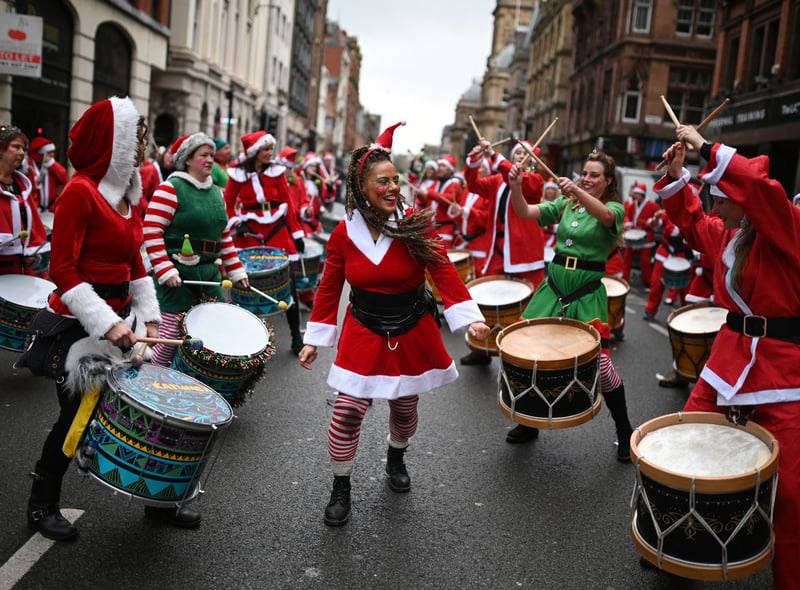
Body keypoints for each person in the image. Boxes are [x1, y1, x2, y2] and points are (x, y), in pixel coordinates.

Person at [298, 122, 489, 527]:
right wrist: (314, 338)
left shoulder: (415, 223)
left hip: (411, 325)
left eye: (395, 180)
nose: (391, 188)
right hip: (364, 326)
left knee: (404, 408)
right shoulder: (344, 233)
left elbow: (443, 269)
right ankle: (341, 486)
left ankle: (396, 456)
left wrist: (469, 320)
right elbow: (330, 286)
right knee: (347, 411)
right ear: (361, 188)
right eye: (382, 181)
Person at [23, 97, 190, 541]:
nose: (142, 147)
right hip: (78, 325)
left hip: (121, 318)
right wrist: (107, 324)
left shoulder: (128, 190)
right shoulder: (79, 192)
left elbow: (135, 261)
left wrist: (149, 319)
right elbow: (63, 270)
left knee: (145, 414)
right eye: (134, 138)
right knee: (75, 417)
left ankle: (158, 500)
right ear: (110, 142)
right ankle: (41, 504)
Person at [656, 127, 800, 590]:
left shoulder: (789, 229)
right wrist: (677, 175)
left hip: (784, 375)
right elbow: (694, 222)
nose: (714, 207)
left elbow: (759, 187)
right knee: (687, 449)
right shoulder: (731, 234)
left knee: (792, 496)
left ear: (743, 200)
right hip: (726, 365)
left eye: (721, 199)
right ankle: (677, 546)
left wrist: (704, 146)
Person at [507, 149, 634, 458]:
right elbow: (525, 212)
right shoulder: (567, 203)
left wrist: (577, 190)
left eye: (594, 175)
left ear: (607, 181)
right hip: (552, 288)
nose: (586, 178)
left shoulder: (614, 208)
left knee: (601, 365)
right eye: (584, 173)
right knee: (530, 351)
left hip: (586, 294)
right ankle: (528, 422)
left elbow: (605, 218)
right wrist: (516, 186)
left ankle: (624, 428)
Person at [143, 133, 249, 366]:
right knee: (168, 338)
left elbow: (223, 237)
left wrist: (236, 271)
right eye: (204, 155)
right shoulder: (170, 188)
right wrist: (165, 269)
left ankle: (192, 381)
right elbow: (151, 230)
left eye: (212, 154)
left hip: (209, 276)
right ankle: (150, 378)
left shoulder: (217, 193)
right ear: (188, 159)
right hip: (177, 278)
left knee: (214, 332)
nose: (210, 159)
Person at [458, 139, 547, 366]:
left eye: (526, 154)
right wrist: (474, 159)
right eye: (518, 153)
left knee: (527, 304)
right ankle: (480, 347)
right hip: (496, 250)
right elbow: (473, 184)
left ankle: (522, 353)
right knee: (484, 297)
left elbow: (517, 178)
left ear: (534, 162)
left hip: (523, 253)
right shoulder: (497, 180)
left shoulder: (535, 181)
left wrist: (495, 156)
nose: (521, 156)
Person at [224, 130, 306, 353]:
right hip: (249, 234)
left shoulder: (277, 172)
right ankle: (246, 340)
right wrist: (237, 223)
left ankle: (296, 337)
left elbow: (288, 204)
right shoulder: (237, 174)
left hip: (277, 231)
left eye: (271, 148)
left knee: (288, 283)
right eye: (266, 149)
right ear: (255, 151)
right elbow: (228, 205)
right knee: (247, 287)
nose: (270, 153)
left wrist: (297, 234)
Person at [0, 126, 49, 275]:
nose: (22, 153)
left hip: (20, 270)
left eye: (23, 149)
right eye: (16, 147)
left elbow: (31, 226)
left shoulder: (22, 185)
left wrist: (32, 255)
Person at [642, 210, 693, 320]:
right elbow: (654, 225)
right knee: (656, 283)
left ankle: (686, 314)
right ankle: (650, 310)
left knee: (685, 288)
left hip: (682, 254)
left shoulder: (692, 215)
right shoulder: (668, 212)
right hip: (664, 252)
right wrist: (656, 218)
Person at [414, 154, 463, 244]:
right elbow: (427, 202)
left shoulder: (455, 184)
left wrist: (429, 193)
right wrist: (419, 194)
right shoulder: (436, 183)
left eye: (443, 166)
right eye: (439, 165)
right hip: (433, 228)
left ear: (450, 169)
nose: (439, 168)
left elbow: (448, 199)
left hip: (447, 229)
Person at [622, 182, 659, 286]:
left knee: (645, 261)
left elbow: (658, 219)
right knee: (627, 258)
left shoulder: (652, 205)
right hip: (632, 235)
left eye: (637, 194)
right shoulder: (632, 204)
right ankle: (624, 279)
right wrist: (627, 222)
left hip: (646, 236)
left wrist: (651, 221)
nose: (635, 196)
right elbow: (627, 216)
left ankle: (647, 282)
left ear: (642, 195)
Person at [28, 136, 68, 211]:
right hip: (35, 208)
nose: (52, 155)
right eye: (49, 152)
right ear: (41, 153)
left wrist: (52, 164)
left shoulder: (52, 166)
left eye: (53, 152)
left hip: (50, 208)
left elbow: (63, 178)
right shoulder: (29, 165)